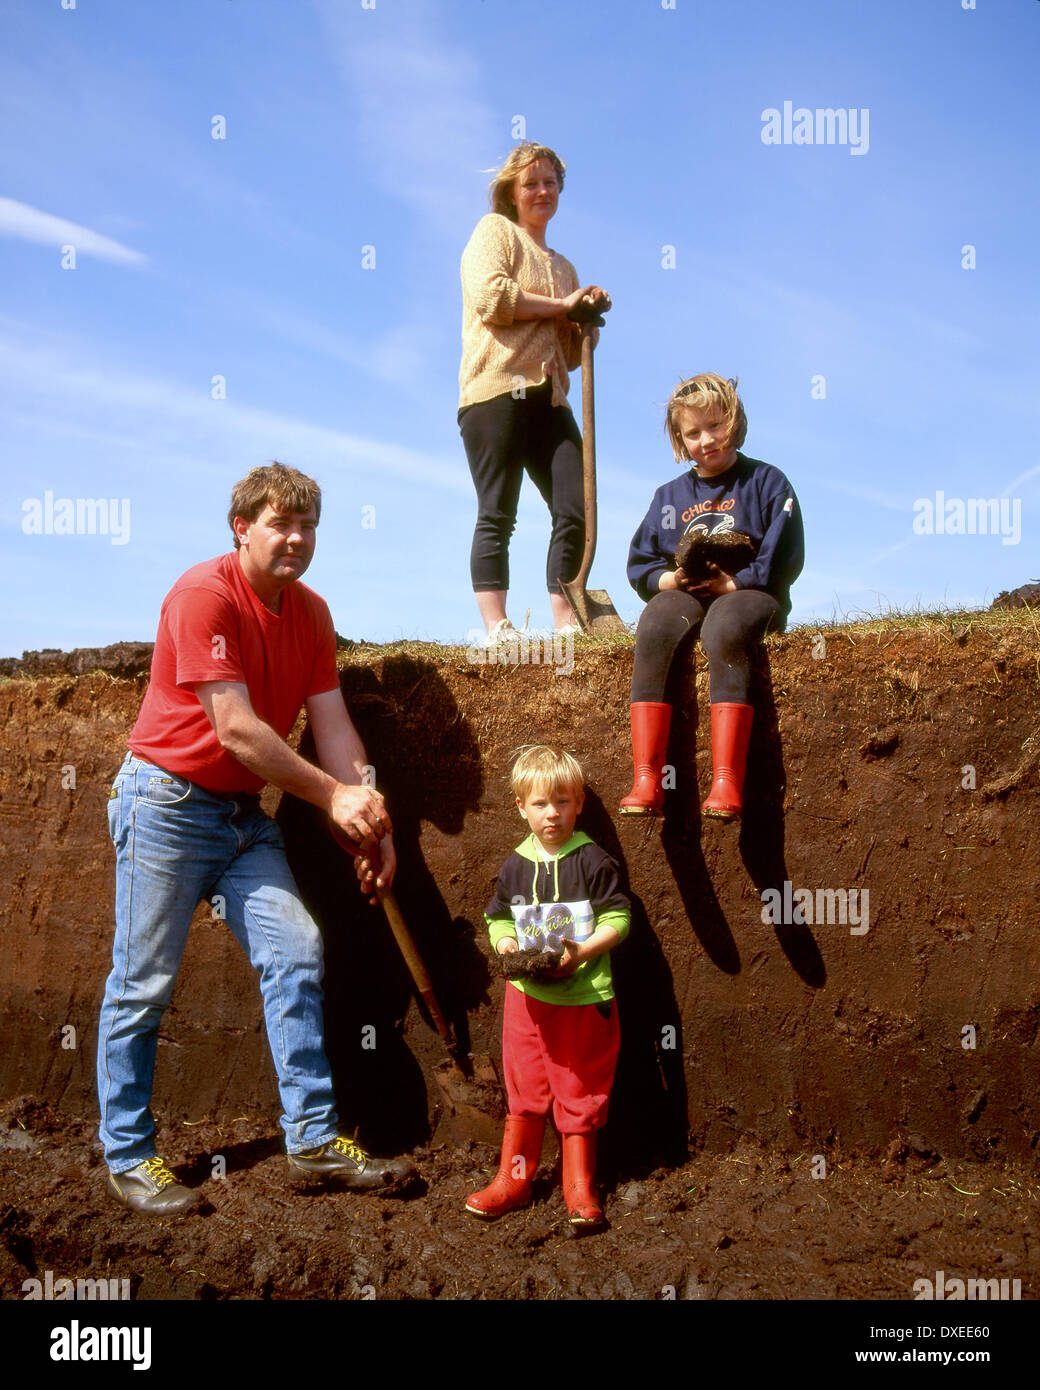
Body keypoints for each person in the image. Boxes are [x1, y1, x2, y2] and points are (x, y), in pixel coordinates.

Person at [96, 463, 417, 1214]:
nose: (297, 539)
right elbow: (236, 729)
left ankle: (310, 1139)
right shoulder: (202, 594)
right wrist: (331, 795)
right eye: (281, 524)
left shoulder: (310, 613)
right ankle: (130, 1155)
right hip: (165, 806)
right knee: (143, 984)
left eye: (308, 526)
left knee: (297, 951)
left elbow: (332, 724)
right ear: (242, 527)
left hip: (243, 818)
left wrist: (367, 806)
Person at [621, 374, 804, 820]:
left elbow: (786, 552)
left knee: (724, 624)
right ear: (679, 440)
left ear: (735, 422)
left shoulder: (767, 481)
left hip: (750, 593)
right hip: (689, 592)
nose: (707, 440)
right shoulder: (669, 496)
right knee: (657, 621)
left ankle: (726, 782)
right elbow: (641, 561)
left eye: (715, 426)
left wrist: (737, 584)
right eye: (693, 433)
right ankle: (647, 777)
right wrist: (670, 581)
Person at [466, 747, 630, 1225]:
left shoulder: (593, 861)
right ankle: (513, 1179)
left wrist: (580, 953)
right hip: (527, 998)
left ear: (578, 803)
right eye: (539, 804)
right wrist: (509, 948)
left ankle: (579, 1188)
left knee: (577, 1088)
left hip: (582, 998)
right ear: (521, 808)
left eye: (561, 801)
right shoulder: (515, 865)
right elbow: (496, 919)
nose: (551, 813)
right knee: (526, 1088)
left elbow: (620, 919)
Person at [458, 142, 610, 641]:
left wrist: (585, 316)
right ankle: (497, 625)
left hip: (551, 398)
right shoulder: (494, 232)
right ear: (512, 192)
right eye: (531, 183)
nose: (541, 191)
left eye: (550, 182)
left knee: (575, 506)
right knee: (499, 511)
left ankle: (566, 622)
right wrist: (561, 305)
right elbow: (493, 298)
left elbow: (569, 354)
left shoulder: (564, 266)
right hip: (496, 389)